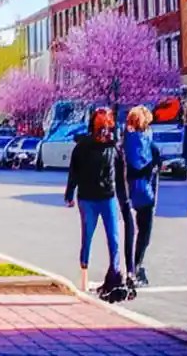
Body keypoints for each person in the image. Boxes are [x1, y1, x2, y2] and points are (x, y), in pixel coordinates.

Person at [65, 108, 122, 294]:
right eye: (100, 126)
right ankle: (84, 275)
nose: (103, 131)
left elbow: (120, 172)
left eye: (106, 126)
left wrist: (124, 196)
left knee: (113, 237)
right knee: (87, 237)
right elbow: (74, 171)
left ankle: (114, 273)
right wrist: (70, 193)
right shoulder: (83, 146)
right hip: (88, 198)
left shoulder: (113, 146)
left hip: (107, 196)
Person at [124, 105, 161, 287]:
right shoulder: (142, 140)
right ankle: (136, 268)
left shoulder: (128, 139)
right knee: (144, 233)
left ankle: (132, 267)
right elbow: (146, 164)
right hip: (143, 192)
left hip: (133, 191)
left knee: (134, 232)